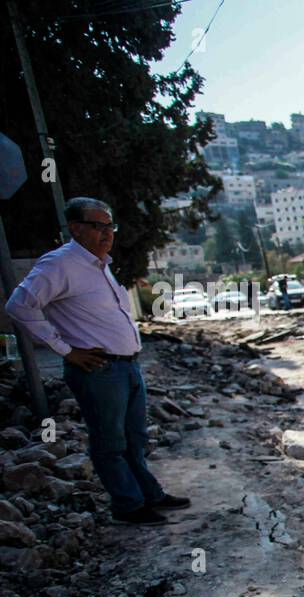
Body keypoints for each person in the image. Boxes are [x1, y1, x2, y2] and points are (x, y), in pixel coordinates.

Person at [5, 197, 189, 525]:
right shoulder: (59, 264)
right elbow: (19, 305)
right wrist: (65, 349)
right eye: (97, 226)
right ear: (75, 228)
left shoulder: (101, 265)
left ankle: (149, 494)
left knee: (134, 438)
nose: (106, 233)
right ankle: (128, 506)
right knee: (109, 442)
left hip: (127, 365)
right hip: (99, 369)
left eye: (110, 226)